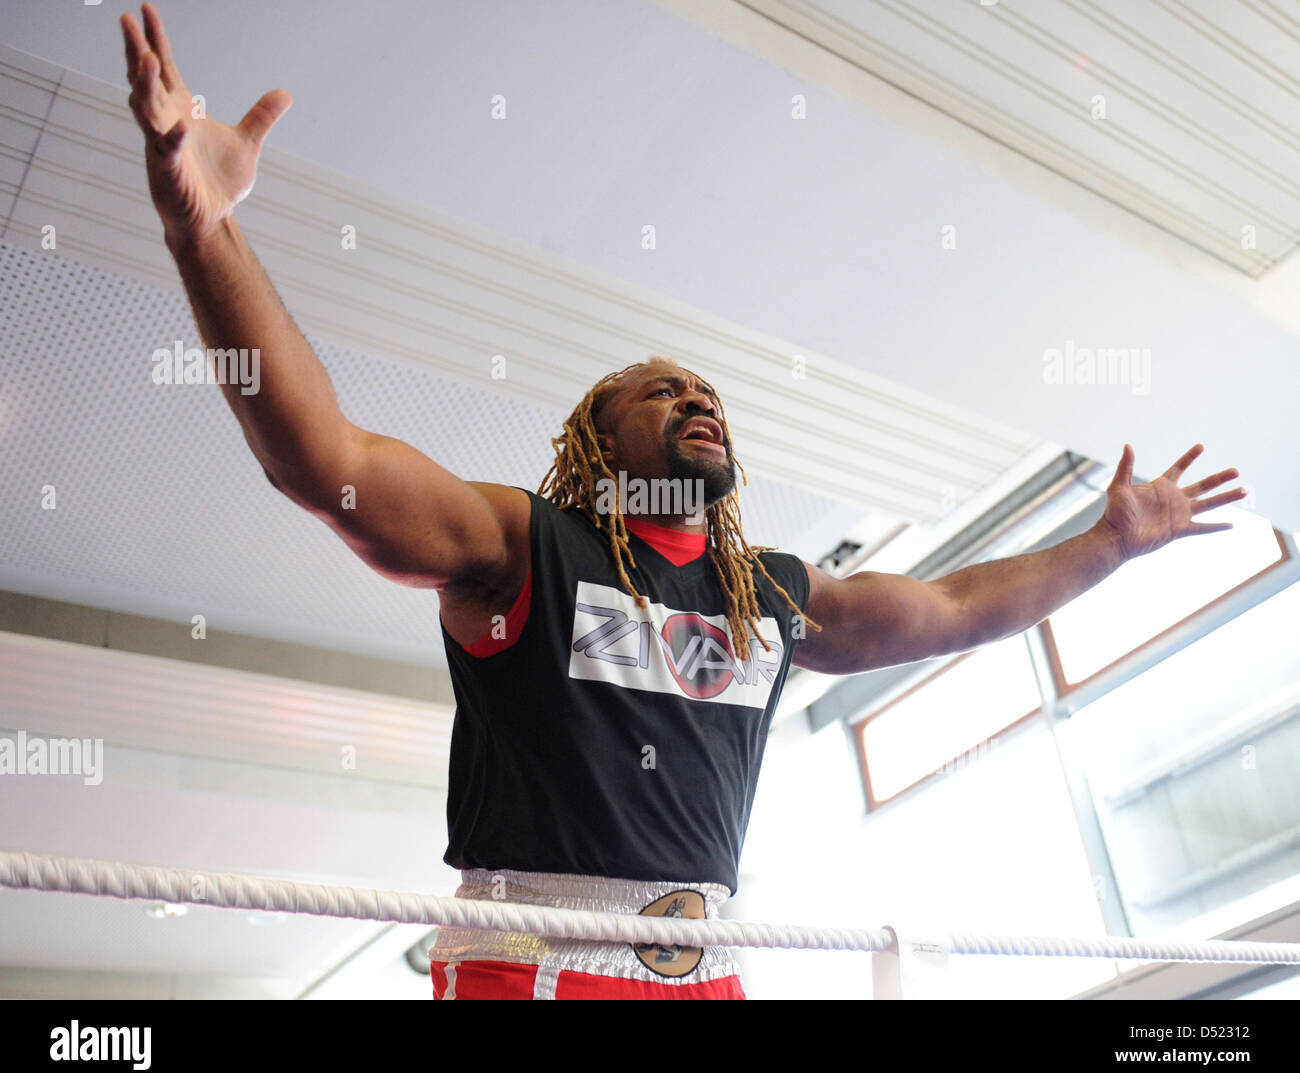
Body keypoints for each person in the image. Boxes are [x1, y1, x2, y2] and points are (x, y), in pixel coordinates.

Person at [119, 4, 1247, 1000]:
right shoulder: (524, 542)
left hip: (709, 963)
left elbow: (952, 607)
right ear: (597, 441)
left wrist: (1108, 544)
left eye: (706, 391)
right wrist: (203, 227)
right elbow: (325, 462)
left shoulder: (769, 594)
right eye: (659, 390)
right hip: (534, 954)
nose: (695, 397)